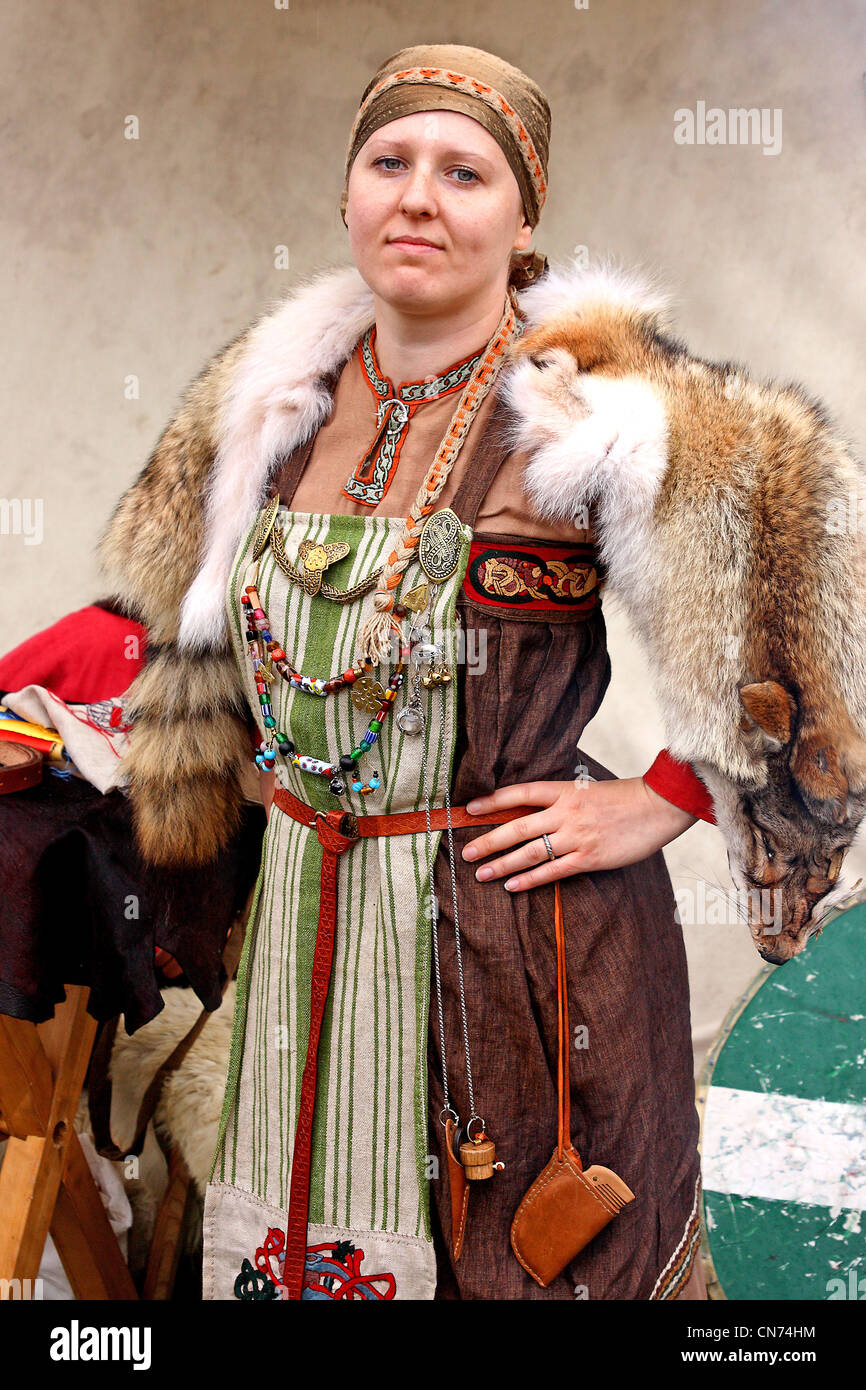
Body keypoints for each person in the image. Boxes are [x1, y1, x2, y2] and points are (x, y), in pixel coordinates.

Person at [99, 43, 716, 1300]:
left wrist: (665, 795)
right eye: (389, 162)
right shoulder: (267, 404)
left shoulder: (599, 408)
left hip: (513, 947)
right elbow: (189, 638)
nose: (418, 197)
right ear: (347, 196)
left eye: (464, 172)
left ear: (523, 213)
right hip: (306, 930)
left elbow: (796, 637)